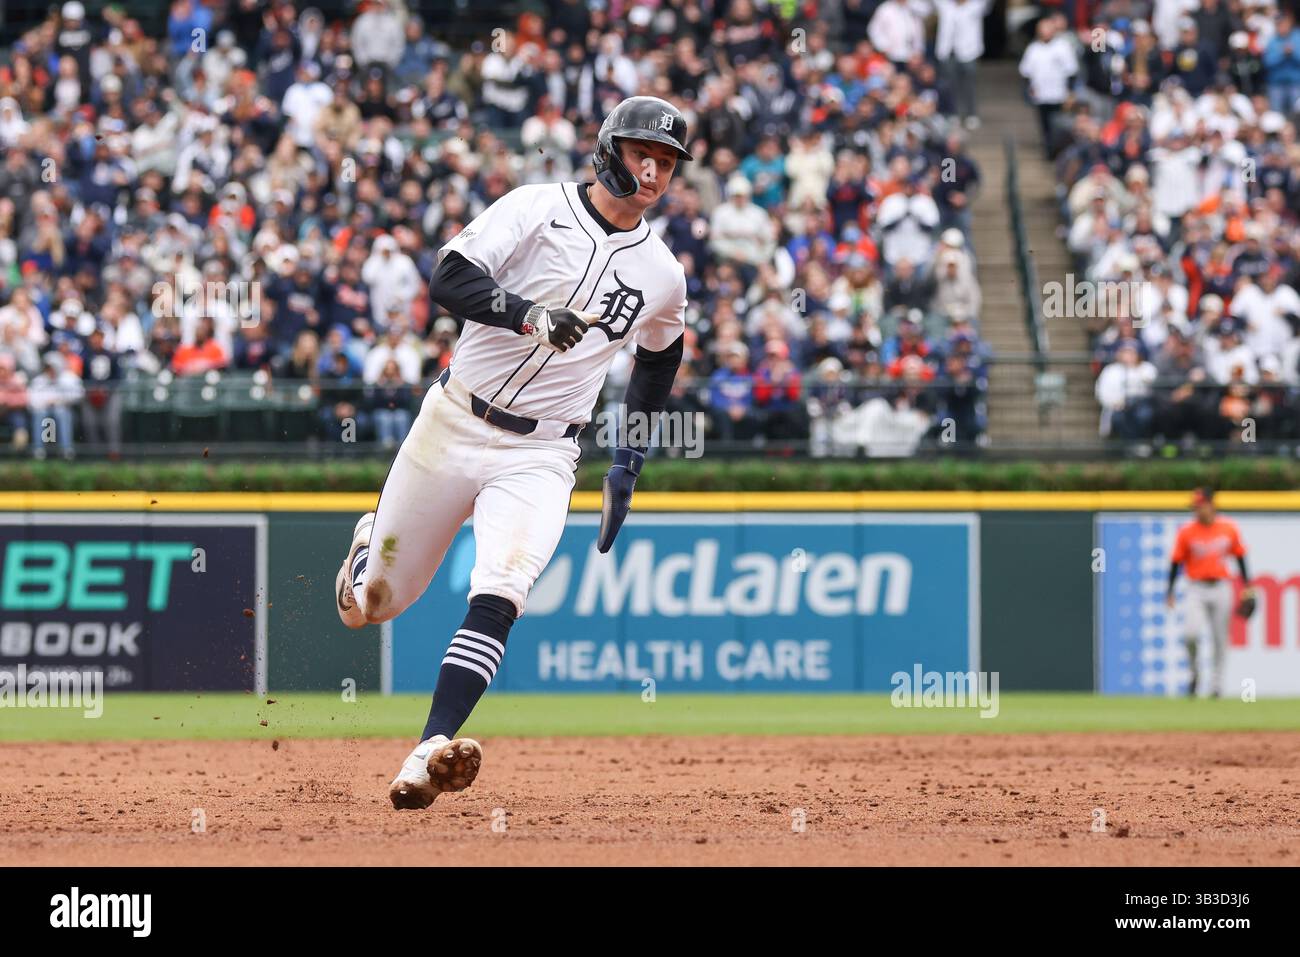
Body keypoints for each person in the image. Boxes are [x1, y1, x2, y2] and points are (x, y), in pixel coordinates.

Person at [333, 97, 691, 810]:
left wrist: (628, 462)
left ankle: (427, 749)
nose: (651, 170)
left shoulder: (663, 272)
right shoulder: (536, 207)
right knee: (372, 606)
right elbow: (448, 278)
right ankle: (365, 558)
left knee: (503, 587)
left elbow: (661, 356)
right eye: (639, 151)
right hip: (455, 420)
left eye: (667, 160)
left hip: (544, 453)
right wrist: (529, 313)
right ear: (607, 150)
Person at [1165, 488, 1253, 698]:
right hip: (1196, 587)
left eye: (1200, 505)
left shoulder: (1228, 528)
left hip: (1221, 587)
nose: (1196, 510)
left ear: (1211, 504)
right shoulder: (1186, 531)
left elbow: (1240, 557)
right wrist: (1169, 591)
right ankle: (1195, 675)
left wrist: (1247, 586)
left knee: (1220, 639)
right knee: (1191, 634)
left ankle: (1216, 686)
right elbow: (1176, 562)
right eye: (1194, 507)